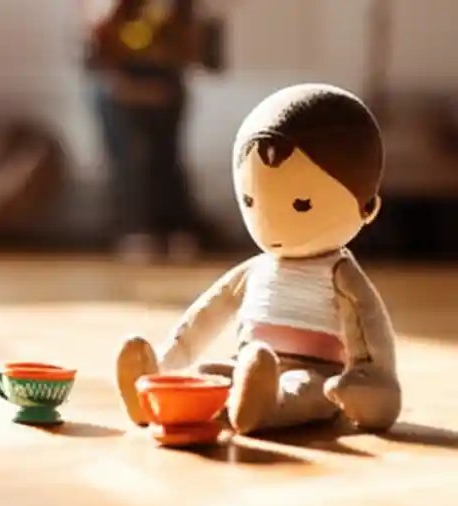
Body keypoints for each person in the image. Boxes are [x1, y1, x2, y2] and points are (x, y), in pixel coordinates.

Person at [115, 84, 401, 435]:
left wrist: (373, 382)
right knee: (205, 375)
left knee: (305, 392)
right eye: (250, 201)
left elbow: (372, 331)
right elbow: (203, 319)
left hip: (315, 371)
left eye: (302, 205)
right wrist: (169, 359)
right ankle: (155, 394)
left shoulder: (340, 274)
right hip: (246, 363)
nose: (270, 219)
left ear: (367, 207)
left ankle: (264, 406)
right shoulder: (256, 269)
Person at [80, 0, 211, 264]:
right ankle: (136, 227)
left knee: (166, 157)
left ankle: (174, 227)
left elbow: (189, 49)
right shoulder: (109, 12)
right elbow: (96, 50)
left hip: (162, 83)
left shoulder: (175, 10)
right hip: (118, 84)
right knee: (130, 162)